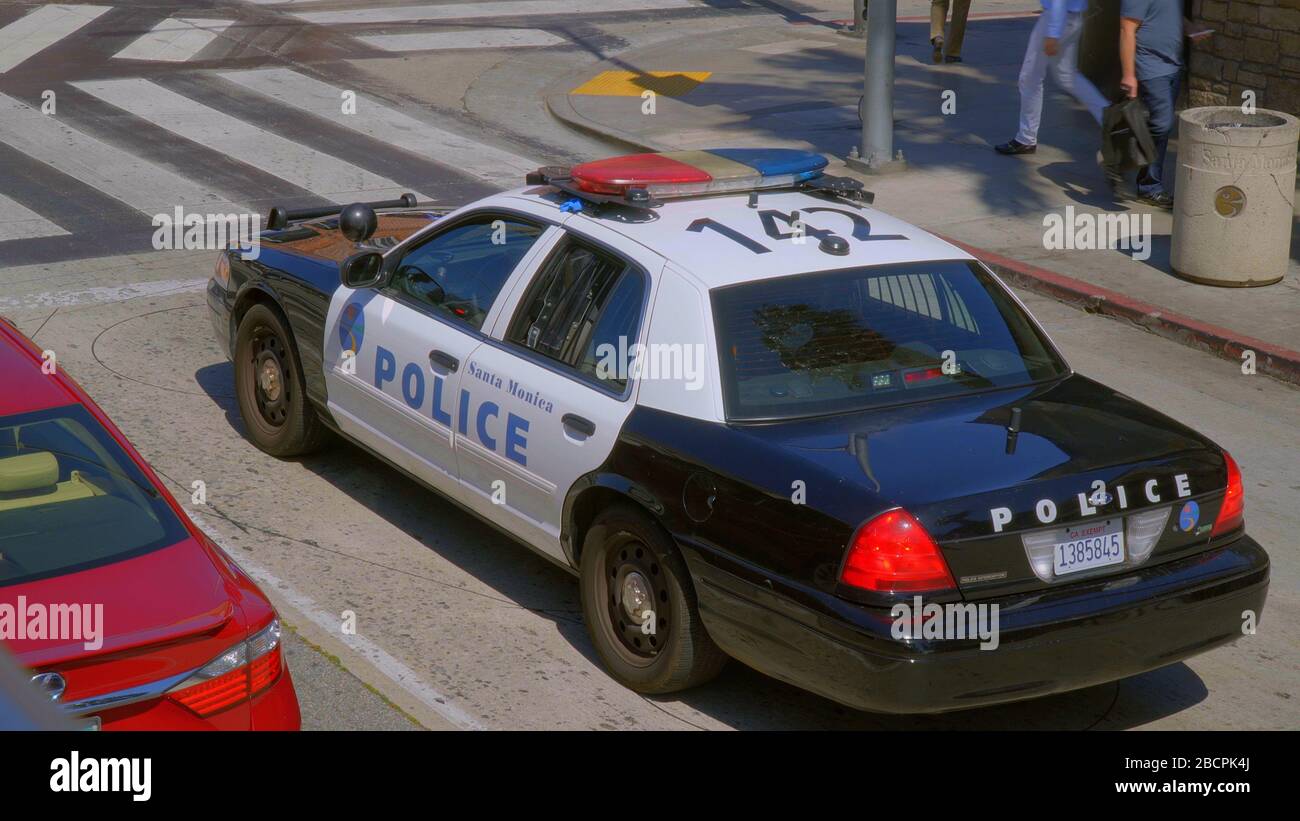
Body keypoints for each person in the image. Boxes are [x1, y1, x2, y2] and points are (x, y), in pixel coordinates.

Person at [994, 0, 1110, 155]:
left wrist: (1053, 33)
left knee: (1030, 78)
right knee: (1067, 77)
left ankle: (1026, 139)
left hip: (1056, 17)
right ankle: (1110, 119)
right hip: (1073, 17)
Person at [1118, 0, 1202, 208]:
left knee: (1160, 128)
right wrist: (1129, 75)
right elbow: (1127, 29)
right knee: (1162, 123)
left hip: (1172, 65)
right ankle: (1120, 150)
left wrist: (1190, 28)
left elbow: (1167, 13)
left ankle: (1149, 186)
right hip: (1151, 66)